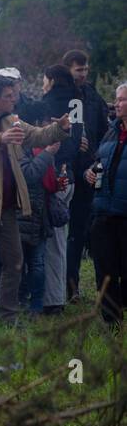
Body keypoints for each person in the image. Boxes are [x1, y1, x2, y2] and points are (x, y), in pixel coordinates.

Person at [0, 73, 71, 323]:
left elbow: (38, 136)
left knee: (15, 262)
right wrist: (0, 138)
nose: (14, 100)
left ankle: (7, 315)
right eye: (9, 97)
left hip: (8, 206)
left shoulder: (13, 121)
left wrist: (58, 129)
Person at [63, 50, 110, 301]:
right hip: (62, 172)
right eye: (79, 69)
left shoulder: (92, 95)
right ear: (68, 69)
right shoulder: (60, 95)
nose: (83, 73)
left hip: (88, 173)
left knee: (81, 233)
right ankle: (59, 286)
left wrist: (97, 163)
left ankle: (74, 287)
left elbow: (105, 131)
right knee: (62, 234)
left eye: (85, 69)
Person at [37, 64, 83, 312]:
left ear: (52, 79)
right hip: (70, 175)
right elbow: (79, 141)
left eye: (44, 79)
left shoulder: (49, 103)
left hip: (53, 176)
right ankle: (55, 294)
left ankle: (52, 299)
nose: (43, 84)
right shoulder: (79, 101)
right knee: (59, 239)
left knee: (51, 241)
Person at [87, 82, 127, 324]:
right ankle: (111, 322)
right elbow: (98, 161)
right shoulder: (111, 131)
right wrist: (89, 173)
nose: (117, 103)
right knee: (104, 271)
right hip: (103, 211)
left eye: (123, 100)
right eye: (117, 99)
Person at [17, 140, 62, 315]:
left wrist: (58, 183)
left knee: (37, 264)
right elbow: (29, 174)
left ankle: (35, 305)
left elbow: (49, 183)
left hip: (40, 218)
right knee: (18, 264)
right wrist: (48, 152)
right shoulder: (22, 150)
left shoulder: (43, 154)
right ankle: (18, 301)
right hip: (21, 216)